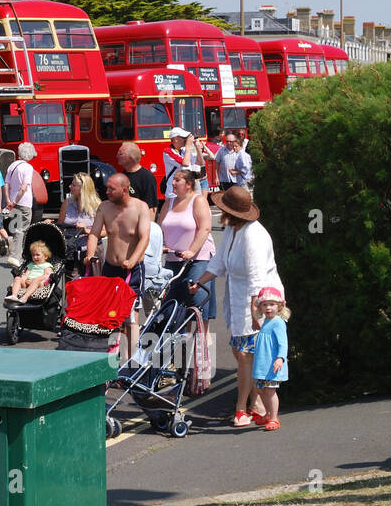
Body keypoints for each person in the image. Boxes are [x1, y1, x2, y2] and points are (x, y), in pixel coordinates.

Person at [187, 185, 283, 427]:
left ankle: (244, 409)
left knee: (246, 356)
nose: (220, 212)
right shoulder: (232, 229)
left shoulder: (254, 235)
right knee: (243, 355)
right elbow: (219, 262)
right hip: (240, 297)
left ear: (233, 213)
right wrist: (199, 281)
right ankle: (255, 406)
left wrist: (254, 313)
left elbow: (257, 277)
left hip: (260, 300)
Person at [84, 172, 151, 359]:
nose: (107, 192)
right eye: (107, 188)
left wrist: (132, 259)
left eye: (111, 189)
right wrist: (90, 255)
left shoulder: (140, 207)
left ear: (124, 189)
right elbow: (94, 233)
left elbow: (144, 238)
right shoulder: (104, 207)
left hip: (132, 270)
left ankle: (133, 361)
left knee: (131, 318)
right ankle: (115, 359)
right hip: (110, 268)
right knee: (112, 316)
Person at [158, 168, 217, 319]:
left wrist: (191, 250)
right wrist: (161, 244)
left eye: (178, 180)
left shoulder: (198, 201)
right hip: (173, 258)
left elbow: (205, 228)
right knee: (172, 301)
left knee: (197, 300)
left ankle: (202, 337)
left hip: (198, 258)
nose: (173, 183)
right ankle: (181, 338)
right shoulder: (168, 203)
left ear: (189, 184)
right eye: (173, 179)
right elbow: (159, 228)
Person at [251, 285, 289, 431]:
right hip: (262, 364)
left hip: (272, 364)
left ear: (279, 306)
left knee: (270, 391)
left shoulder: (278, 323)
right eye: (265, 305)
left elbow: (283, 343)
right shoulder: (267, 321)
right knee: (260, 389)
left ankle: (274, 418)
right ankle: (268, 414)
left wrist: (280, 358)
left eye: (272, 304)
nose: (268, 308)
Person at [4, 142, 37, 265]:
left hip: (12, 201)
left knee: (16, 228)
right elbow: (23, 188)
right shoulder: (28, 168)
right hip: (23, 202)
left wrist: (9, 201)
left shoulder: (12, 165)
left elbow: (6, 184)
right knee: (22, 229)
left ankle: (16, 252)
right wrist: (15, 201)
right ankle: (16, 257)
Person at [116, 141, 158, 218]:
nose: (116, 156)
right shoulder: (121, 176)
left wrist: (148, 228)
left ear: (131, 157)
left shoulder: (147, 177)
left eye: (120, 154)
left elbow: (151, 208)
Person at [57, 172, 101, 241]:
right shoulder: (67, 203)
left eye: (73, 185)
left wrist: (86, 231)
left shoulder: (97, 206)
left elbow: (104, 231)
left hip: (89, 245)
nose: (69, 186)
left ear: (83, 189)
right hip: (70, 246)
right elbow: (59, 227)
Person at [8, 240, 53, 304]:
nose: (35, 257)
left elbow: (46, 275)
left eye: (38, 255)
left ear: (45, 256)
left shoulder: (47, 265)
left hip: (39, 284)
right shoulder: (31, 264)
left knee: (36, 280)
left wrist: (34, 280)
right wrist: (23, 279)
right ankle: (14, 296)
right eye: (33, 255)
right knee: (18, 278)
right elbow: (26, 274)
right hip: (27, 283)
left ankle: (25, 297)